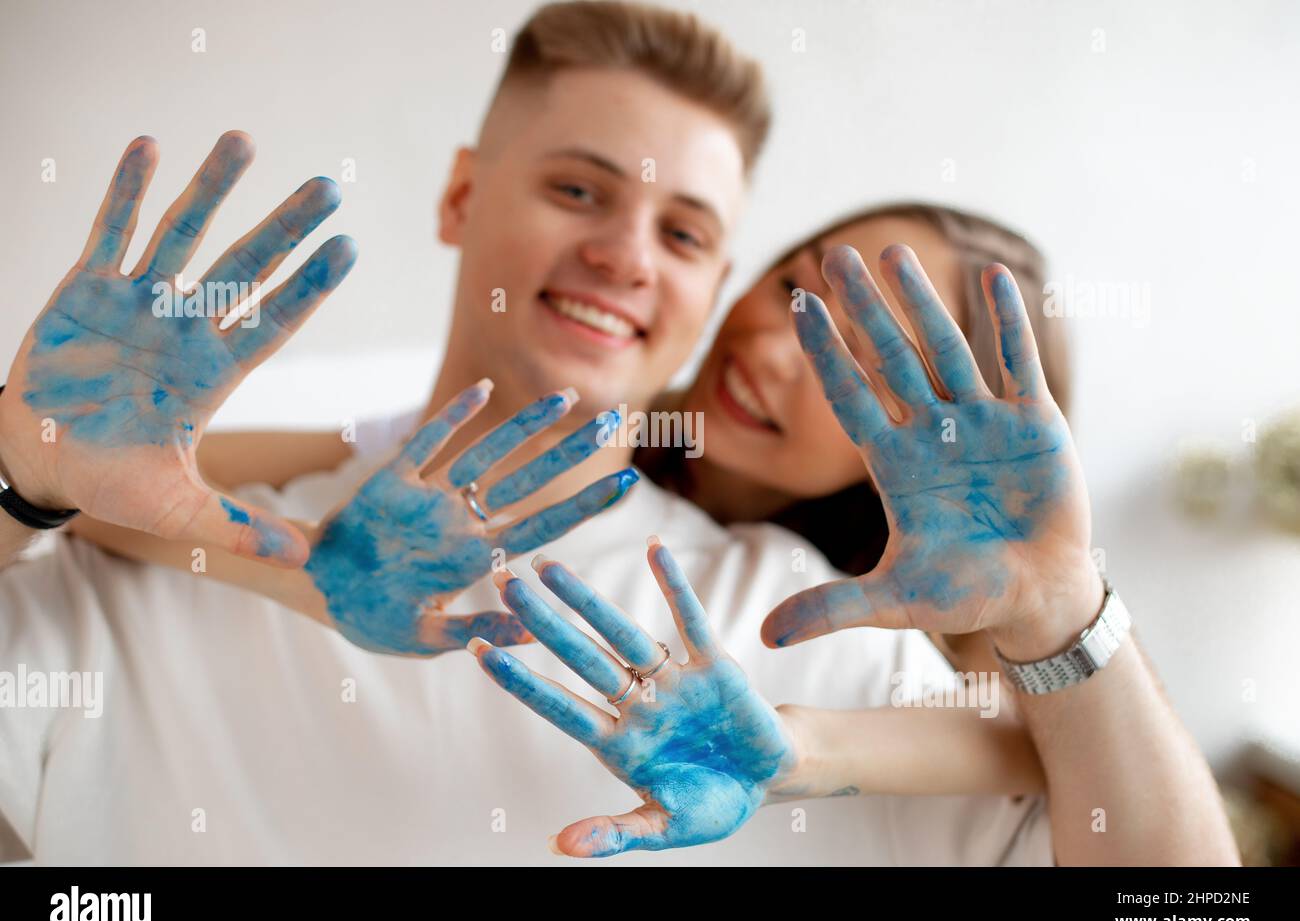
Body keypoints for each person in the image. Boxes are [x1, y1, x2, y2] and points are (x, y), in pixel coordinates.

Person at [0, 1, 1232, 865]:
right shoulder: (126, 559)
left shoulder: (814, 638)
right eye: (579, 189)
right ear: (461, 192)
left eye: (685, 233)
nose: (624, 257)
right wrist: (30, 476)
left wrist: (1063, 608)